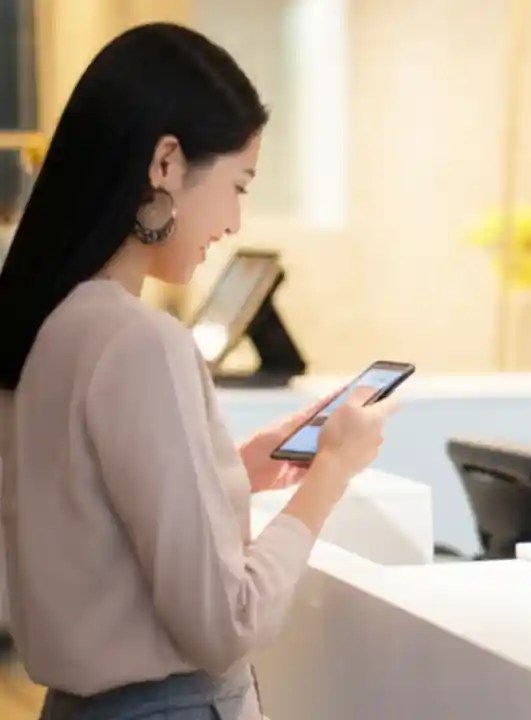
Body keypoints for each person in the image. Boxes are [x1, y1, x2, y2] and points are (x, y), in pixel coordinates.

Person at [0, 23, 398, 719]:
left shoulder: (52, 327)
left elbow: (96, 519)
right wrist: (329, 471)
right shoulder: (142, 343)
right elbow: (227, 622)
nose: (235, 221)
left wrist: (244, 464)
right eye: (238, 185)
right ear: (166, 163)